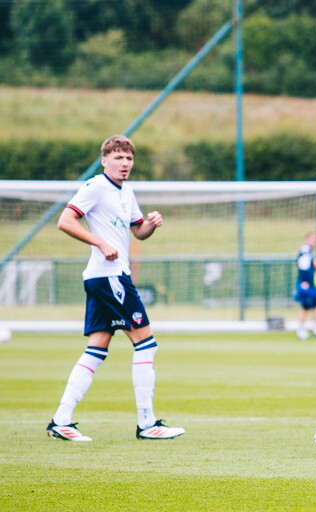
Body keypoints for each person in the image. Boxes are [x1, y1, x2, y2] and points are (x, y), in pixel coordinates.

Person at [47, 135, 185, 442]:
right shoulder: (96, 186)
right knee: (147, 344)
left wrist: (151, 223)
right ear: (104, 160)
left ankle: (61, 420)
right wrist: (100, 242)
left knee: (97, 349)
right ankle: (147, 424)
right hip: (109, 276)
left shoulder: (127, 190)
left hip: (105, 276)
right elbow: (65, 221)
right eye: (118, 158)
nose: (125, 164)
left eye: (129, 159)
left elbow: (138, 232)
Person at [294, 232, 316, 339]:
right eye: (313, 238)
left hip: (312, 284)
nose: (315, 241)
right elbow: (303, 267)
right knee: (305, 306)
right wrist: (304, 281)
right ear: (307, 239)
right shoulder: (305, 250)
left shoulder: (309, 251)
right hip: (306, 284)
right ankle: (301, 329)